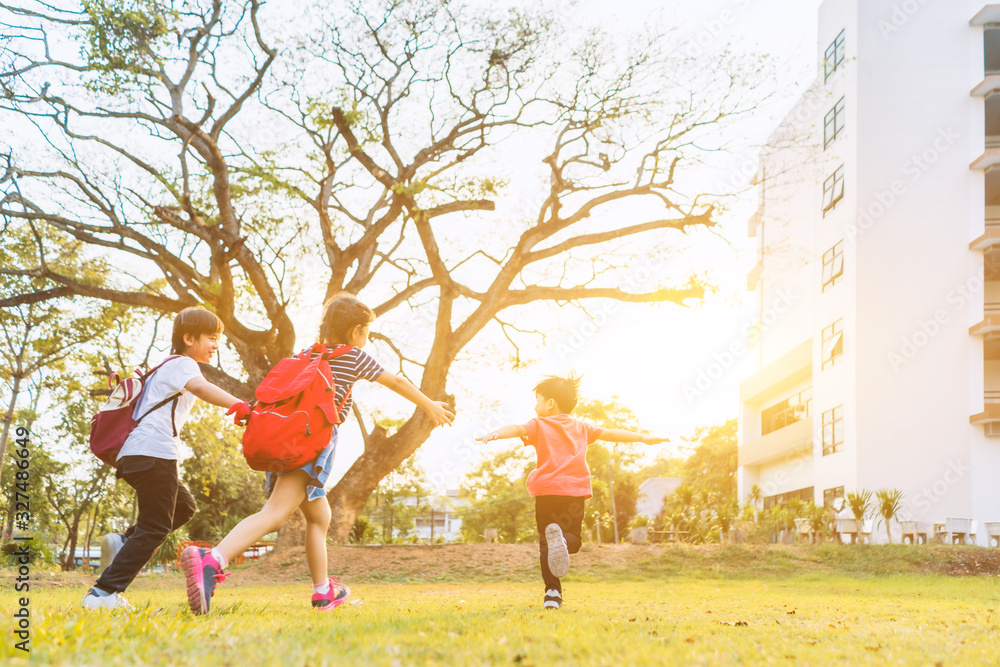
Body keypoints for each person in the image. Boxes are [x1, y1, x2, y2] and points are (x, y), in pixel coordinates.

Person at [182, 293, 455, 615]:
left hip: (287, 439)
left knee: (319, 517)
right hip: (311, 444)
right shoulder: (353, 356)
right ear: (355, 332)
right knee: (276, 513)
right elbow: (394, 380)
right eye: (366, 331)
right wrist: (429, 405)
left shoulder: (306, 355)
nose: (366, 338)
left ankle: (323, 591)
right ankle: (212, 560)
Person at [82, 307, 251, 611]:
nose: (216, 344)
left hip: (136, 453)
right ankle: (103, 594)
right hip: (153, 451)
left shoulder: (163, 367)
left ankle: (124, 543)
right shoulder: (182, 364)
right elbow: (200, 387)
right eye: (212, 338)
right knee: (156, 526)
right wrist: (239, 405)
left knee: (183, 507)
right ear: (188, 338)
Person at [477, 374, 667, 610]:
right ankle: (564, 541)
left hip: (547, 493)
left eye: (537, 400)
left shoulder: (538, 424)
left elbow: (516, 428)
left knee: (546, 544)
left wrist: (496, 433)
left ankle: (552, 593)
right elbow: (609, 433)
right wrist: (643, 438)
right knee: (573, 541)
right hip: (574, 493)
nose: (534, 406)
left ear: (550, 403)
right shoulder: (582, 427)